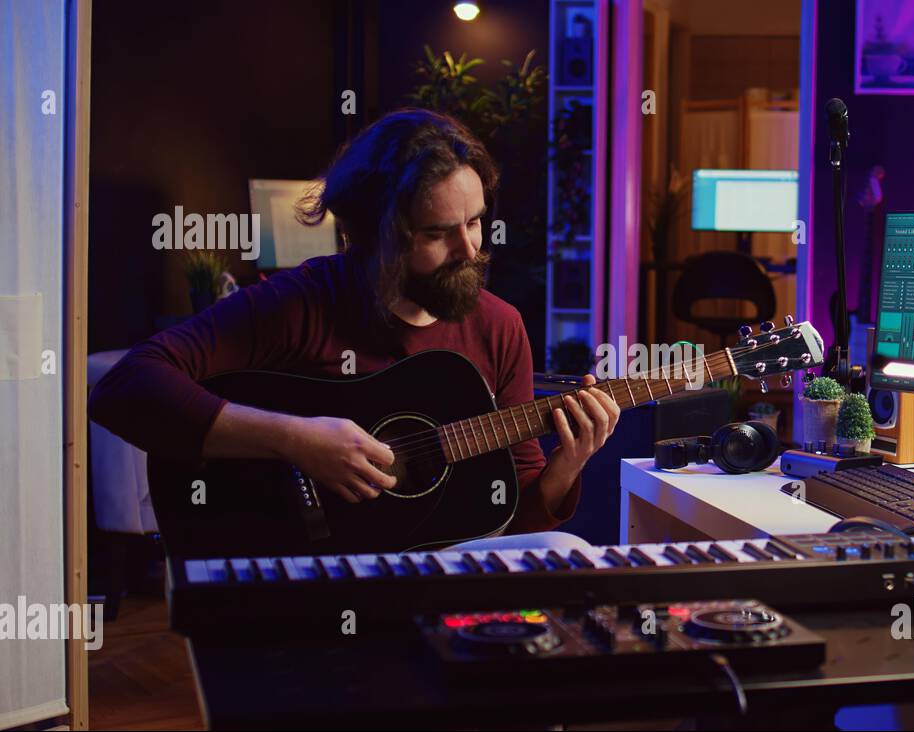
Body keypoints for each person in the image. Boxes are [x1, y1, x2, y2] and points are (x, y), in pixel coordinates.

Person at [89, 108, 619, 536]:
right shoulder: (300, 302)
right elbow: (125, 388)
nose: (470, 248)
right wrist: (294, 440)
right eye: (438, 232)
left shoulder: (499, 326)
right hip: (295, 574)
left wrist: (566, 466)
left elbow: (510, 510)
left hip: (426, 570)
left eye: (476, 221)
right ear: (374, 233)